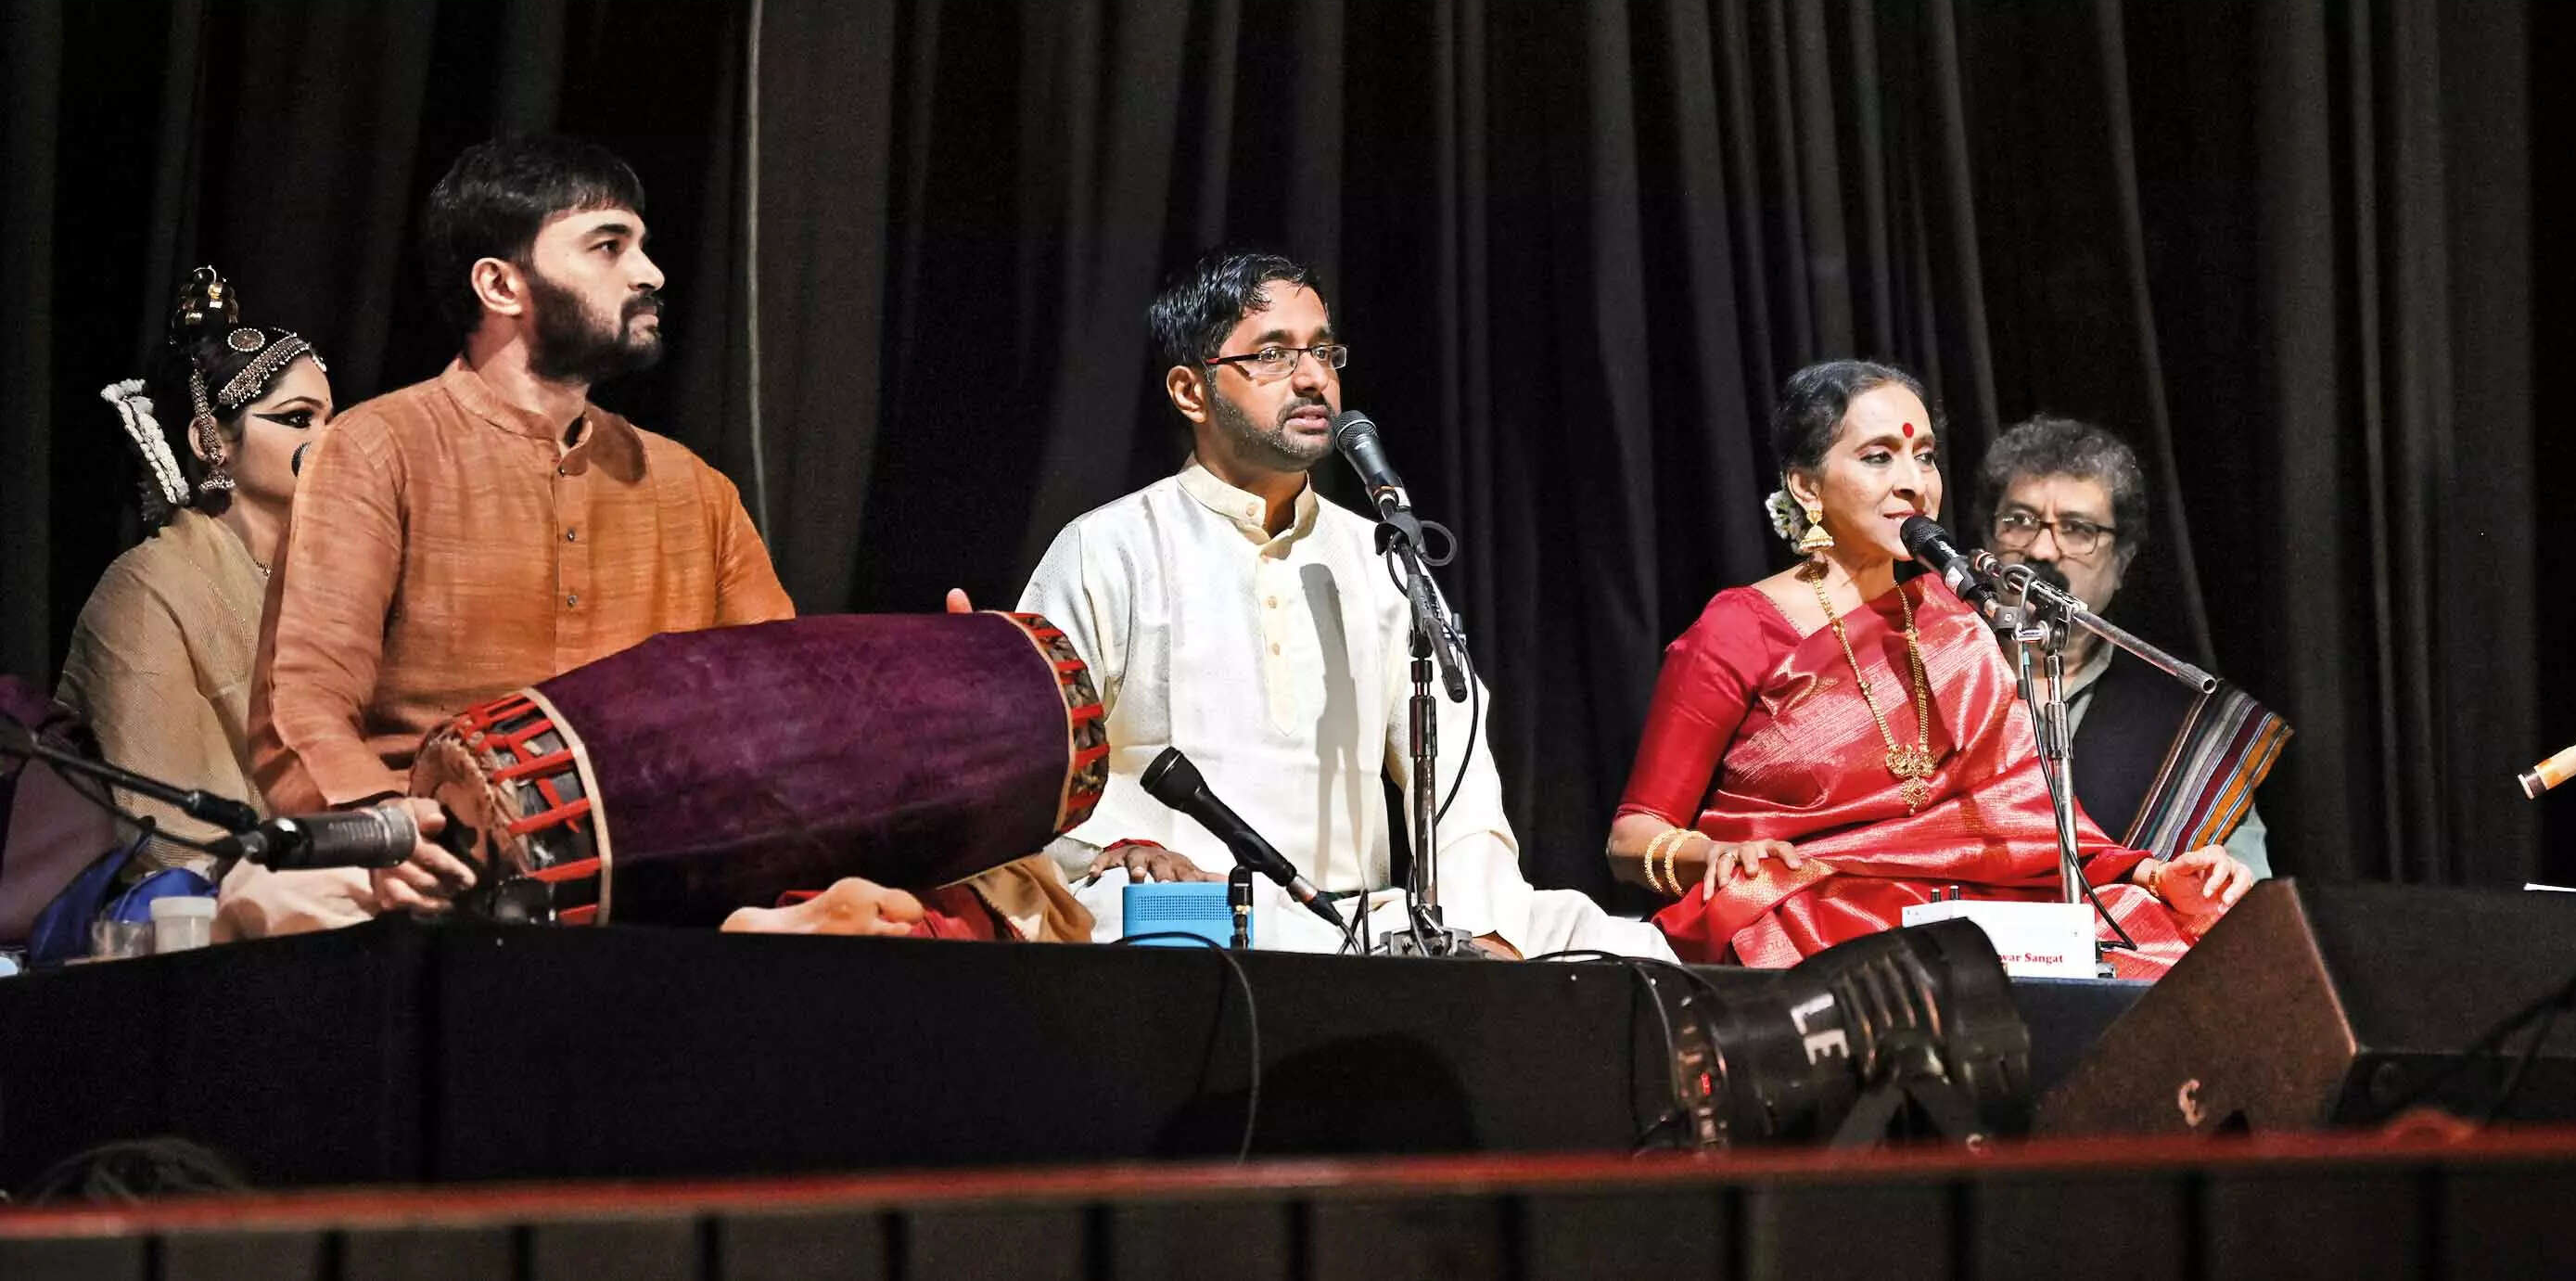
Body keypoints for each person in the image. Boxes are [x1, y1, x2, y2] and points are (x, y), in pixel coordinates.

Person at [245, 135, 1070, 940]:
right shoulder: (378, 447)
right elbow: (302, 702)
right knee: (282, 902)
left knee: (1018, 884)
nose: (650, 273)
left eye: (641, 244)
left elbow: (794, 706)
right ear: (501, 285)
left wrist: (939, 685)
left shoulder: (692, 487)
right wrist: (380, 828)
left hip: (676, 854)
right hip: (443, 852)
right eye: (608, 246)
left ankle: (745, 925)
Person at [1017, 248, 1664, 958]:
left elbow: (1457, 778)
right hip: (1183, 904)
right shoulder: (1108, 548)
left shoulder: (1378, 556)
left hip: (1349, 921)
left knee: (1608, 940)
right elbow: (1027, 773)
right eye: (1272, 353)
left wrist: (1483, 924)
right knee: (1158, 928)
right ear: (1189, 391)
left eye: (1323, 350)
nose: (1313, 377)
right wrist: (1109, 848)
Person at [1608, 360, 2253, 972]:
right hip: (1814, 907)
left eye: (1923, 456)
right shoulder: (1737, 629)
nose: (1913, 481)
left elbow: (2021, 814)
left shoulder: (1952, 616)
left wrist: (2147, 873)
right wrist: (1715, 854)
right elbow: (1632, 837)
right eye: (1878, 456)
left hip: (1969, 906)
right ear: (1805, 486)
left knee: (2147, 931)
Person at [59, 267, 335, 877]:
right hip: (199, 924)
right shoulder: (145, 588)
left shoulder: (332, 593)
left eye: (330, 418)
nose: (330, 440)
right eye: (298, 418)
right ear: (212, 440)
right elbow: (167, 834)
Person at [1970, 416, 2281, 878]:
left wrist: (2221, 878)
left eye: (2077, 530)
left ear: (2120, 563)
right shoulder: (1933, 678)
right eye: (2018, 522)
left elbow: (2242, 892)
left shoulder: (2186, 723)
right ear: (1987, 544)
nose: (2041, 551)